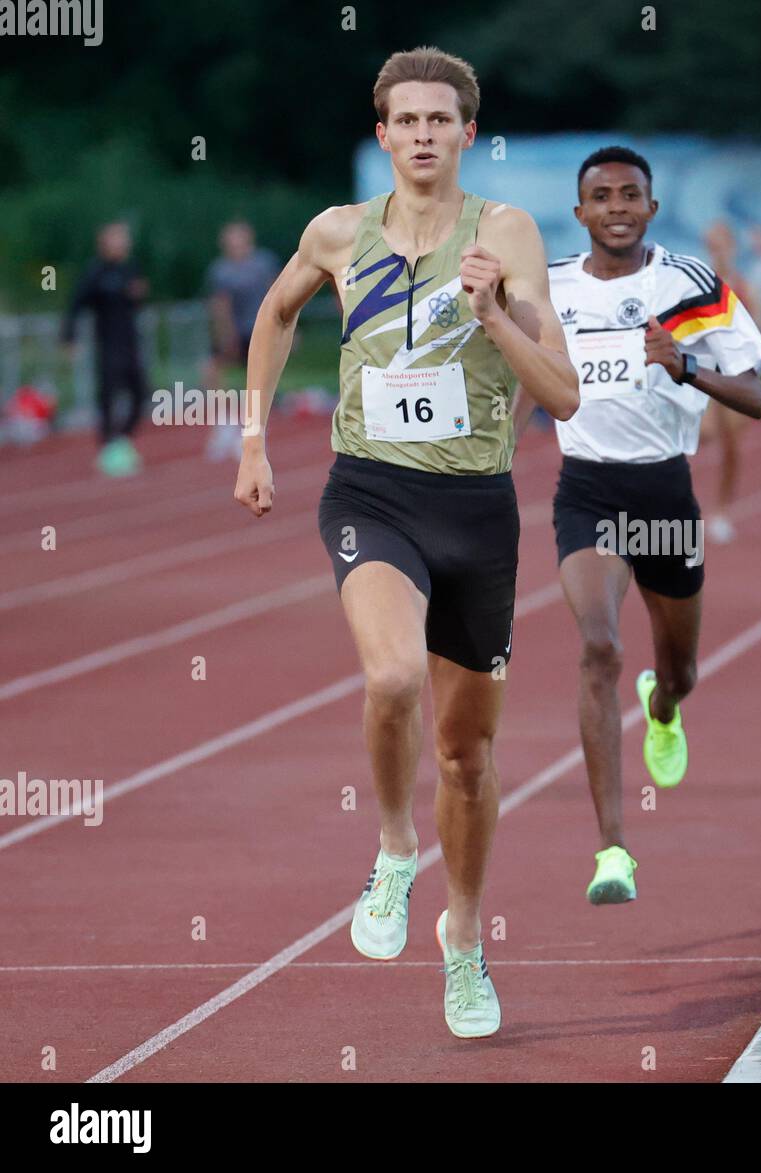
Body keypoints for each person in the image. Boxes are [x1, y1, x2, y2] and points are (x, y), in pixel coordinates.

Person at [232, 46, 579, 1039]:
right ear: (381, 134)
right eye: (407, 120)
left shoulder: (505, 233)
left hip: (476, 507)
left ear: (468, 134)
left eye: (442, 120)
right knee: (391, 679)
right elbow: (275, 312)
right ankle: (393, 854)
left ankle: (463, 945)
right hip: (370, 493)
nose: (424, 135)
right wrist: (253, 438)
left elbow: (562, 392)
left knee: (466, 757)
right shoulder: (337, 232)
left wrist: (494, 313)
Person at [538, 146, 761, 903]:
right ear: (580, 213)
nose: (616, 207)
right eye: (601, 196)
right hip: (587, 493)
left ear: (652, 208)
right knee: (598, 644)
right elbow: (522, 373)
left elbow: (759, 395)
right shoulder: (550, 290)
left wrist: (686, 368)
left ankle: (663, 707)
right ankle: (612, 850)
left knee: (681, 671)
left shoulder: (689, 284)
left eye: (630, 195)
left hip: (666, 498)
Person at [61, 221, 150, 476]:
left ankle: (120, 440)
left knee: (141, 394)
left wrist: (139, 295)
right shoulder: (95, 272)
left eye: (125, 239)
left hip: (131, 343)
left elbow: (138, 301)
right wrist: (69, 338)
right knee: (109, 397)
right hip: (108, 346)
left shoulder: (131, 268)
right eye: (118, 239)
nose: (124, 244)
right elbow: (75, 304)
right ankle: (108, 449)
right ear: (104, 243)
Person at [696, 219, 757, 543]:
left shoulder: (744, 286)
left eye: (722, 241)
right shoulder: (696, 283)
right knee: (699, 436)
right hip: (702, 374)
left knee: (731, 447)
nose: (717, 247)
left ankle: (720, 510)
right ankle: (682, 507)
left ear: (731, 245)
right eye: (712, 241)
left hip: (733, 374)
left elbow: (759, 328)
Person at [202, 221, 280, 460]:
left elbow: (277, 293)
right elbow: (219, 305)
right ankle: (224, 424)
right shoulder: (220, 270)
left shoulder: (263, 263)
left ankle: (252, 433)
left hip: (259, 329)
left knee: (256, 382)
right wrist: (226, 335)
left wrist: (286, 327)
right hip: (234, 329)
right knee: (211, 371)